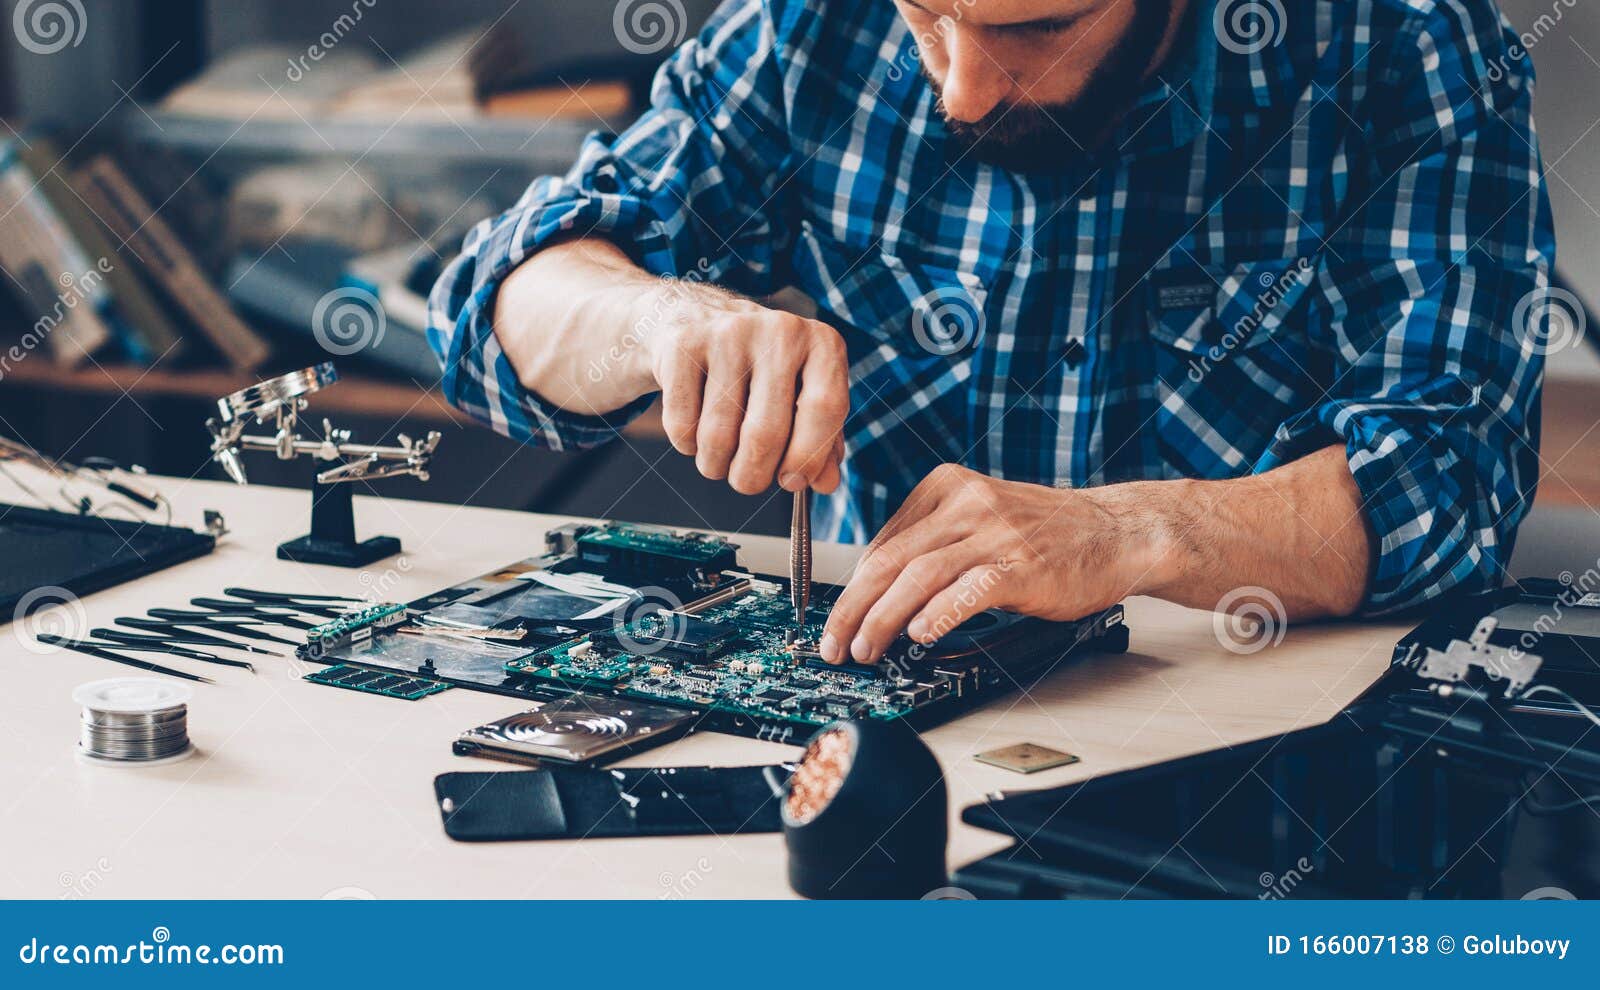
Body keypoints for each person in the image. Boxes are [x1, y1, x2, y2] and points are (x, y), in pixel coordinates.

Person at [429, 0, 1553, 665]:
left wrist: (1130, 533)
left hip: (1260, 751)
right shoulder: (808, 24)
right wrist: (654, 314)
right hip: (901, 724)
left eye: (1033, 28)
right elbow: (489, 306)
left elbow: (1451, 477)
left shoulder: (1404, 44)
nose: (960, 91)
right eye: (928, 16)